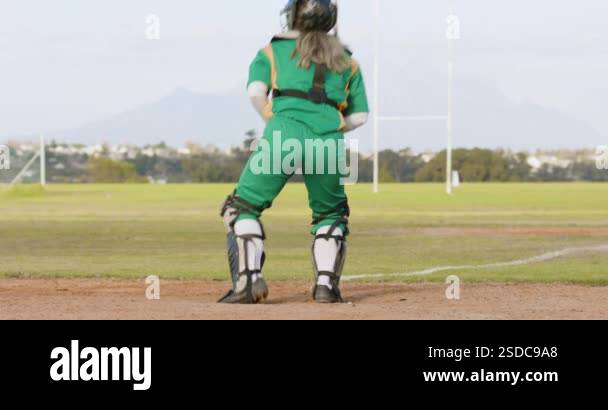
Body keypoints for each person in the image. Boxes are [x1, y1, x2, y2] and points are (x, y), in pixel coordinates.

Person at [219, 0, 369, 304]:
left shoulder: (272, 52)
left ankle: (249, 282)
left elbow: (255, 92)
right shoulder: (348, 61)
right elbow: (360, 116)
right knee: (330, 213)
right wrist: (331, 126)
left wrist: (271, 117)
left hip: (282, 133)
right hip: (328, 141)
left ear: (292, 17)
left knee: (241, 208)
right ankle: (326, 286)